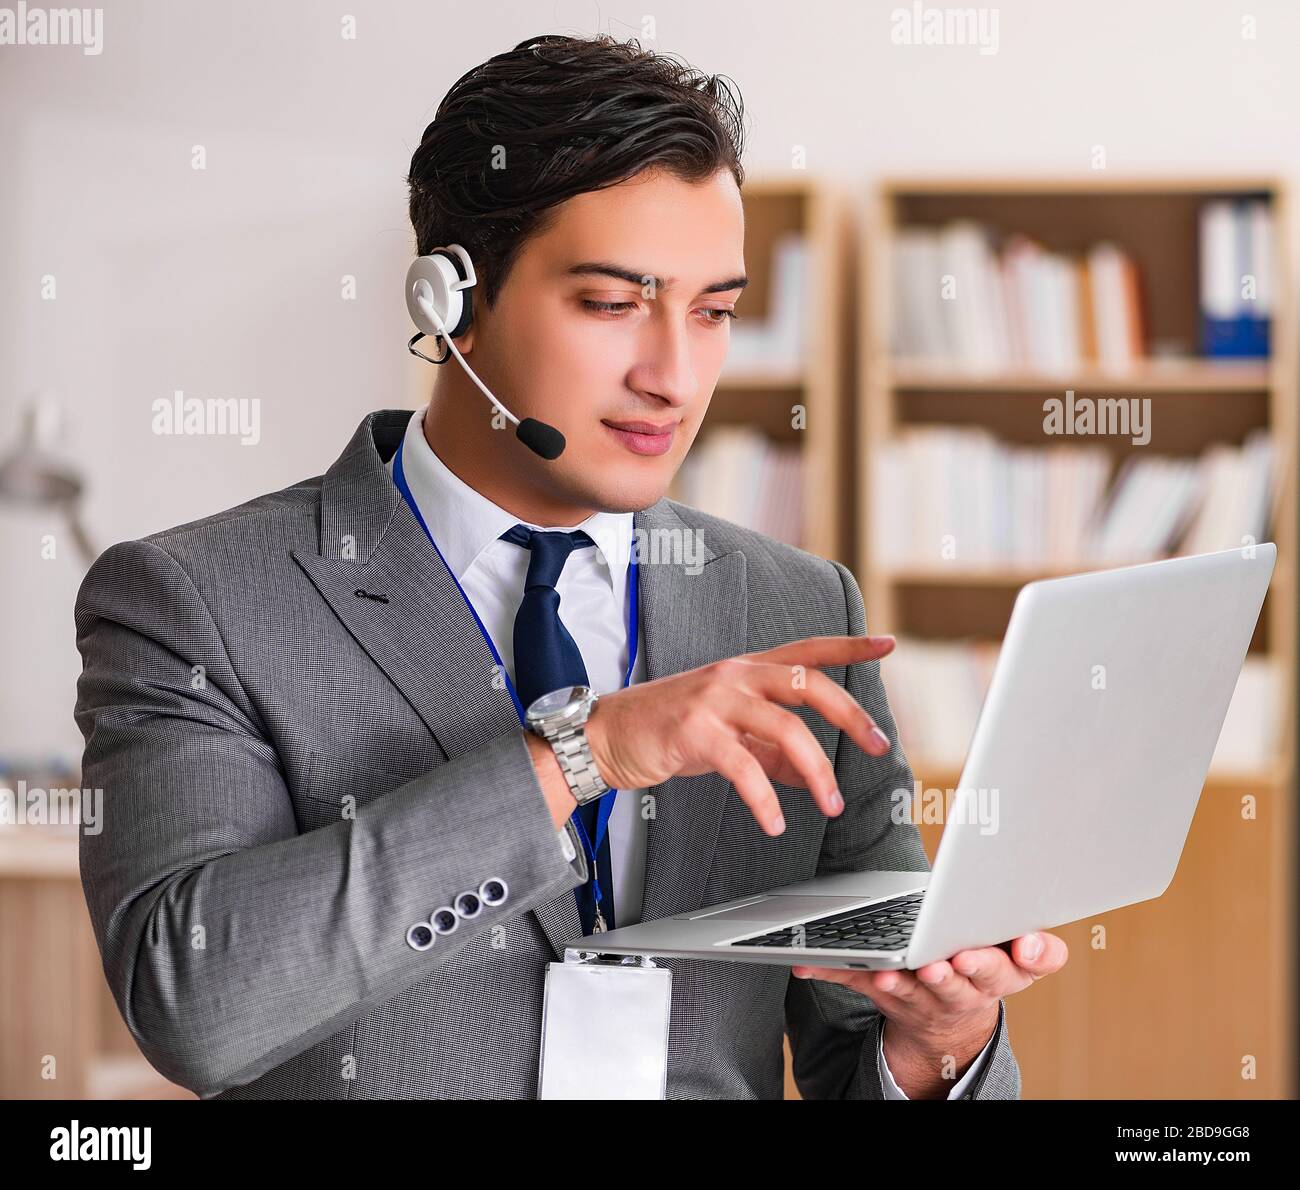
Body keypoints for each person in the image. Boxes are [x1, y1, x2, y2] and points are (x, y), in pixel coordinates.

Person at [73, 32, 1065, 1101]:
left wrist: (938, 1045)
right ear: (446, 301)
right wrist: (583, 754)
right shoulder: (198, 601)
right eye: (610, 303)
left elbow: (851, 1052)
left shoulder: (794, 606)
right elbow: (196, 1005)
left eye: (714, 311)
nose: (674, 376)